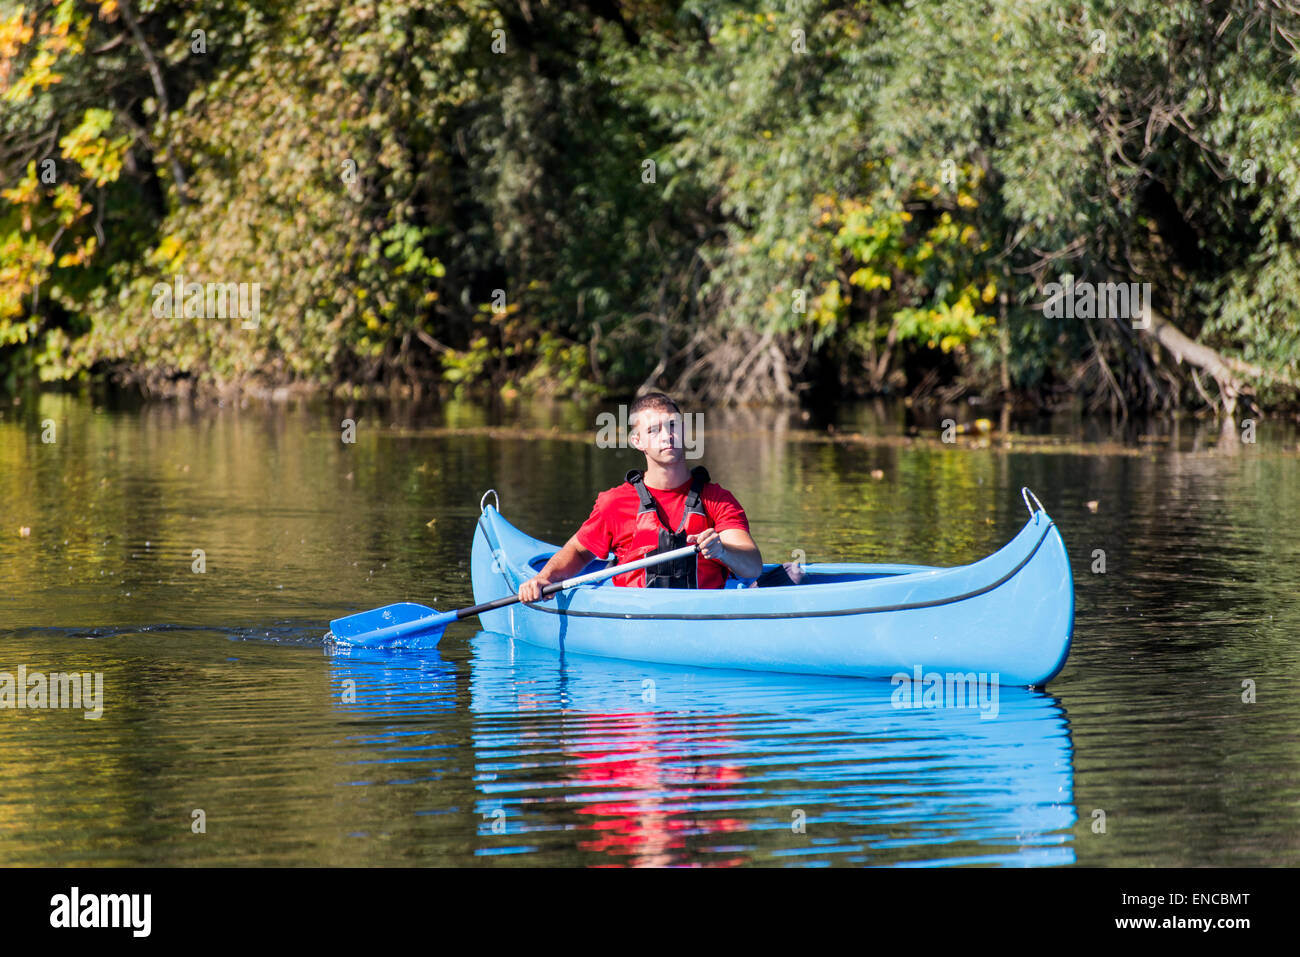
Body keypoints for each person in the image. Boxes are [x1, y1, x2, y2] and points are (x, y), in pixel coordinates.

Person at [517, 392, 801, 603]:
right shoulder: (615, 502)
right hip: (635, 618)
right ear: (637, 441)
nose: (668, 436)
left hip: (706, 617)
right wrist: (545, 578)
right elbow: (579, 552)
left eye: (674, 426)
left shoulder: (718, 499)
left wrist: (722, 552)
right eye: (654, 430)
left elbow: (751, 567)